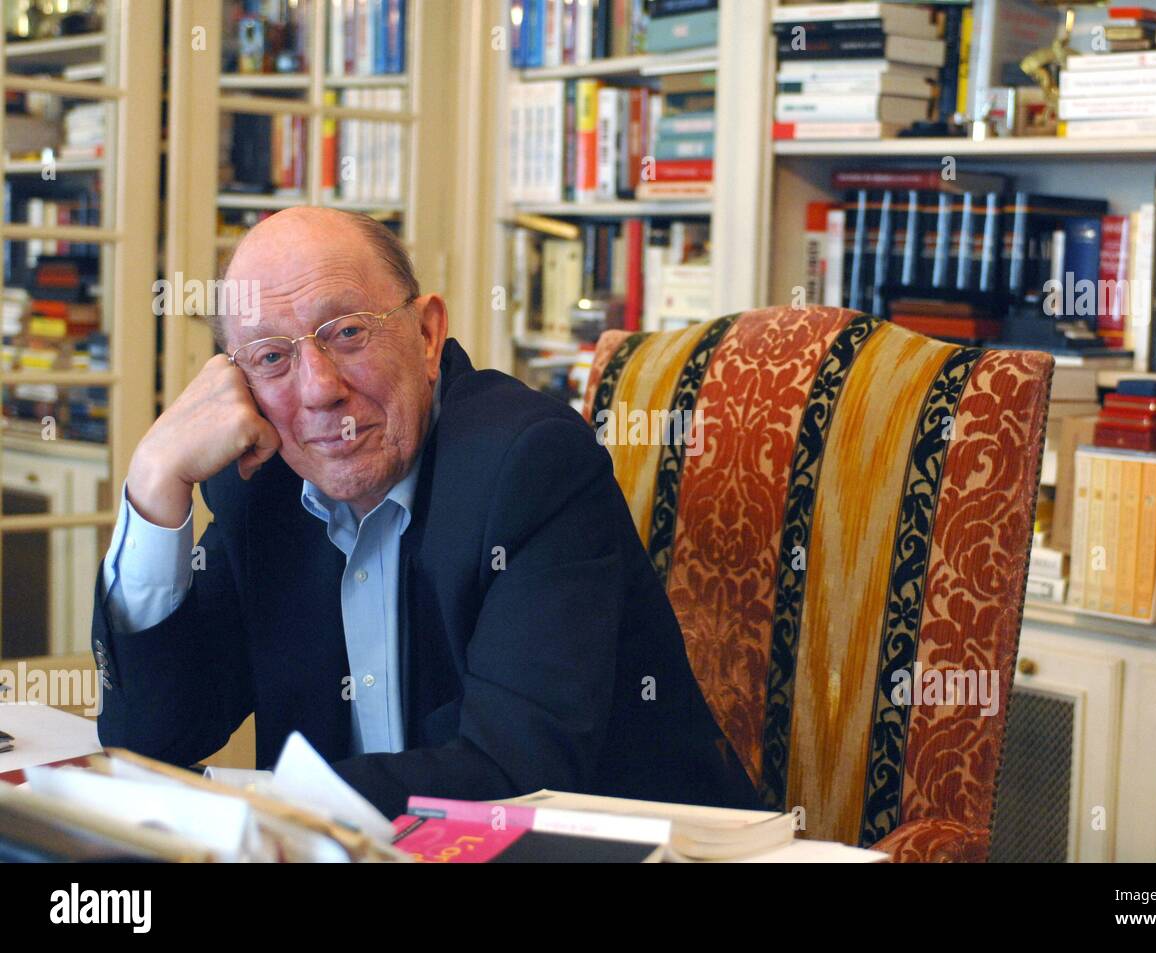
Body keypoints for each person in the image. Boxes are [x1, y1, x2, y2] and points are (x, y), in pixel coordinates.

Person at [93, 208, 760, 818]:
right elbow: (151, 739)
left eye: (348, 332)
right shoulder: (261, 485)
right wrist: (155, 483)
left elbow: (517, 775)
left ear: (428, 331)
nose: (320, 388)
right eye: (272, 358)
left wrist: (258, 805)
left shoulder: (529, 464)